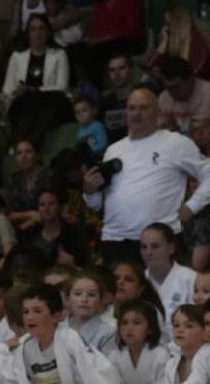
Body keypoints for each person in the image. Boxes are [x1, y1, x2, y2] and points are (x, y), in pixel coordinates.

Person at [83, 88, 210, 264]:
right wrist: (90, 191)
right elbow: (97, 205)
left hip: (160, 241)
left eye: (144, 108)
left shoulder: (176, 143)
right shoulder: (113, 150)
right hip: (114, 239)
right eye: (132, 108)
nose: (137, 113)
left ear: (157, 111)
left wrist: (191, 207)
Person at [3, 15, 73, 142]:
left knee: (44, 108)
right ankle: (29, 143)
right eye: (33, 29)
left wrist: (34, 89)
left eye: (42, 28)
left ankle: (22, 143)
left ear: (48, 32)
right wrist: (16, 91)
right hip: (24, 101)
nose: (37, 33)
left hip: (51, 99)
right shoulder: (17, 56)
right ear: (28, 34)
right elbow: (7, 88)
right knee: (28, 106)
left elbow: (62, 85)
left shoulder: (59, 54)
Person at [86, 0, 145, 86]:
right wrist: (95, 39)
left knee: (94, 52)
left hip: (129, 39)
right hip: (108, 41)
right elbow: (98, 25)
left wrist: (107, 38)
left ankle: (99, 90)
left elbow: (132, 26)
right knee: (82, 49)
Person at [141, 222, 197, 328]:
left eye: (155, 246)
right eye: (144, 247)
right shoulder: (138, 280)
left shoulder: (190, 279)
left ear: (171, 248)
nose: (148, 252)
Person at [20, 188, 86, 268]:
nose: (46, 209)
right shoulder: (31, 233)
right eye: (42, 205)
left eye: (51, 204)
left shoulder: (72, 233)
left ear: (60, 207)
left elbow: (83, 264)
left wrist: (73, 264)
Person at [2, 139, 55, 232]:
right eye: (19, 153)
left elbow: (53, 210)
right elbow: (9, 214)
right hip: (20, 230)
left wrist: (27, 224)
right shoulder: (13, 179)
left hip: (48, 228)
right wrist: (29, 215)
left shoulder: (49, 175)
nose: (23, 157)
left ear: (36, 155)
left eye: (28, 152)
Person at [147, 5, 210, 80]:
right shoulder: (175, 43)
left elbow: (192, 77)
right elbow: (149, 69)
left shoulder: (198, 43)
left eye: (168, 23)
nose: (165, 28)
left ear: (179, 24)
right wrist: (163, 44)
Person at [157, 54, 210, 132]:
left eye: (176, 86)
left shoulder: (207, 93)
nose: (172, 92)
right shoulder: (164, 98)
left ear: (190, 79)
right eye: (168, 87)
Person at [100, 54, 139, 142]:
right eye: (112, 70)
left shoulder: (145, 97)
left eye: (121, 68)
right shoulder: (104, 103)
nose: (116, 73)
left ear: (131, 70)